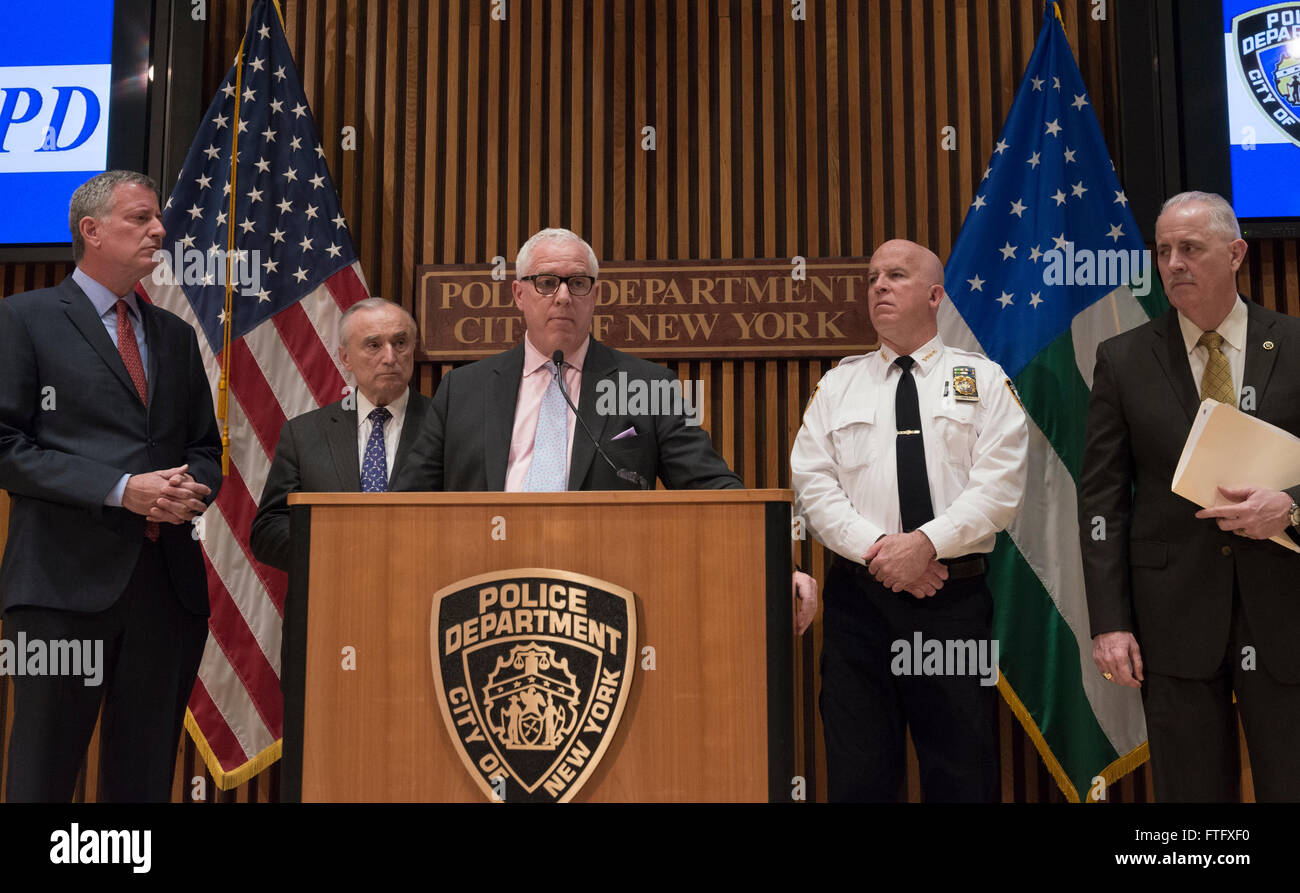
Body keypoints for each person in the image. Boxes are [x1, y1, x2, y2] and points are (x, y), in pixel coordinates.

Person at [392, 227, 817, 631]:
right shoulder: (463, 389)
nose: (562, 296)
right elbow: (405, 506)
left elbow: (712, 485)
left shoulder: (647, 387)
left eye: (577, 283)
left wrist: (779, 563)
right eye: (545, 282)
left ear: (595, 294)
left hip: (602, 598)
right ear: (518, 294)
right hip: (482, 594)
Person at [0, 170, 222, 801]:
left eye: (158, 219)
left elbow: (205, 449)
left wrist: (188, 490)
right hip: (60, 592)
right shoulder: (23, 319)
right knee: (43, 773)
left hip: (166, 592)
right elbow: (5, 446)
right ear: (91, 231)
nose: (159, 230)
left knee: (144, 777)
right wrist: (121, 488)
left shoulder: (175, 336)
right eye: (140, 218)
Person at [1080, 191, 1300, 802]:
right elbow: (1101, 499)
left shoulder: (1297, 345)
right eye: (1165, 251)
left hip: (1285, 606)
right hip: (1171, 614)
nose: (1174, 262)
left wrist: (1292, 507)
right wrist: (1110, 621)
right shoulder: (1122, 359)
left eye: (1191, 248)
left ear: (1235, 254)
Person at [790, 238, 1028, 802]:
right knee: (859, 771)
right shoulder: (838, 385)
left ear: (934, 295)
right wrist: (883, 551)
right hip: (858, 605)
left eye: (896, 276)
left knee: (962, 769)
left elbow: (999, 488)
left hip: (953, 599)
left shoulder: (984, 381)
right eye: (873, 277)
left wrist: (925, 544)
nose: (878, 286)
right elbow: (813, 483)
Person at [251, 298, 431, 572]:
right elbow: (267, 531)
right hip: (329, 598)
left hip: (421, 591)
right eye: (373, 345)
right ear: (345, 357)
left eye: (400, 343)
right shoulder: (304, 435)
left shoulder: (445, 425)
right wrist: (336, 545)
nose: (390, 357)